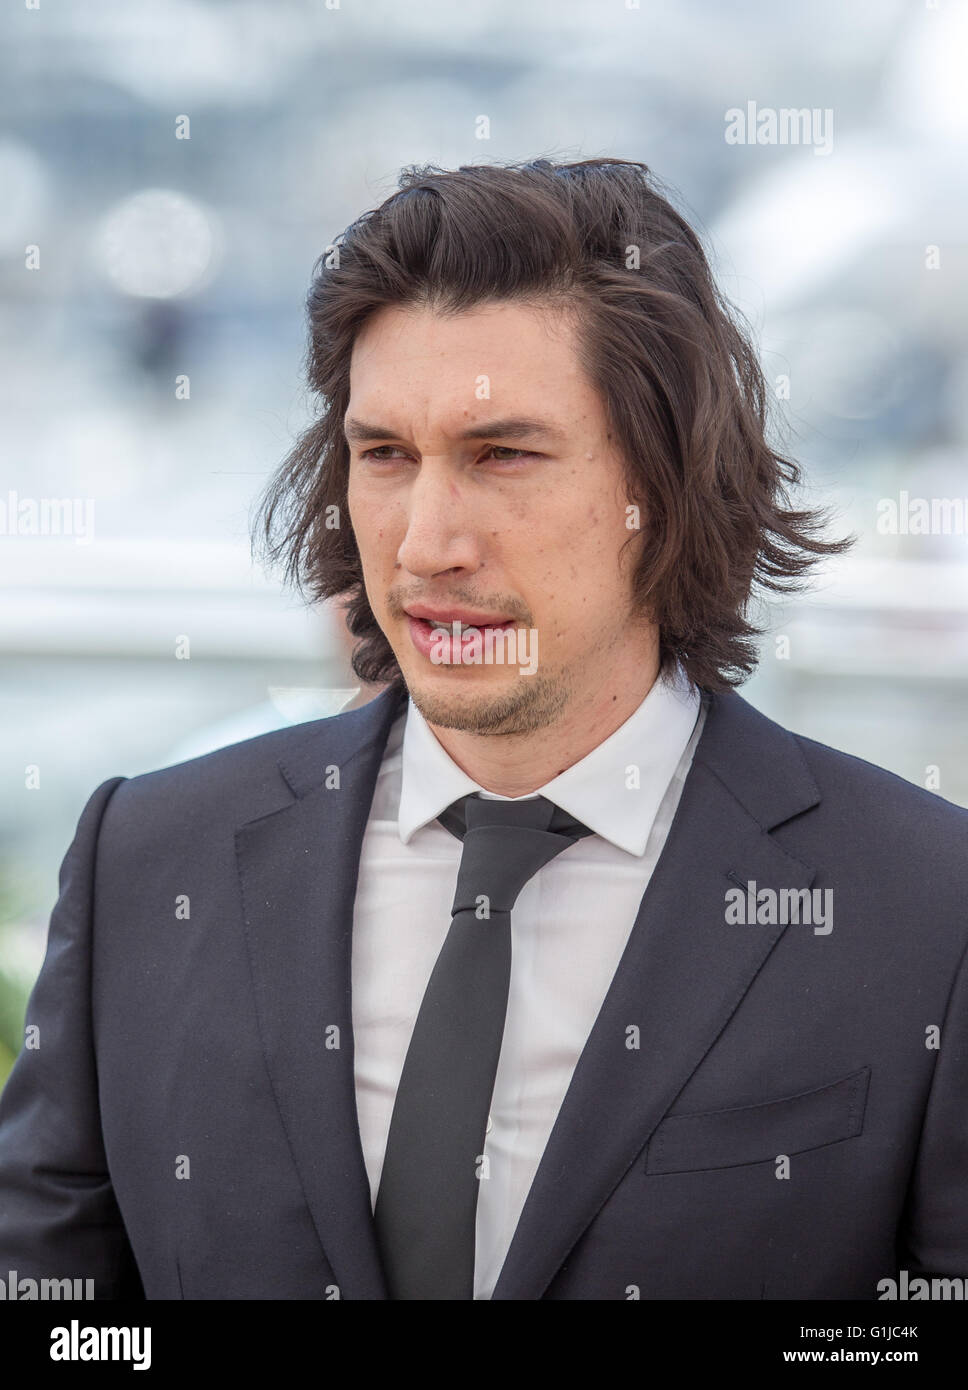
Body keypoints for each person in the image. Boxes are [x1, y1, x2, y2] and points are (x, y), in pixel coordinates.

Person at [1, 158, 966, 1301]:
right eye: (385, 456)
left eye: (501, 454)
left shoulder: (924, 909)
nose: (424, 544)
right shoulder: (146, 861)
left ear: (665, 481)